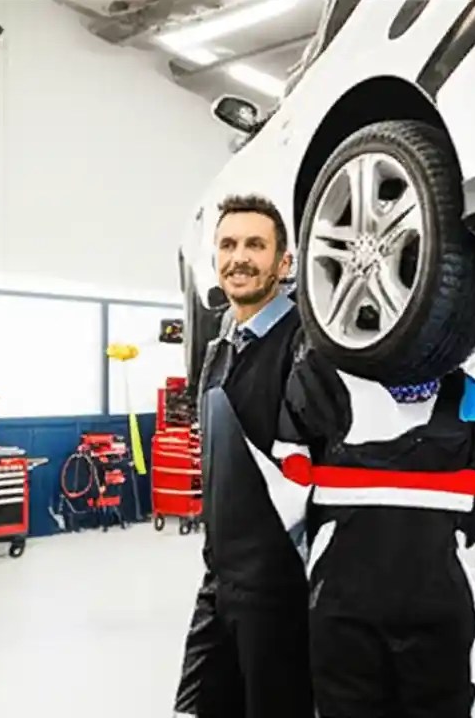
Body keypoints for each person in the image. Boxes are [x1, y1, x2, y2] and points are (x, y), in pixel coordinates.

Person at [272, 344, 475, 717]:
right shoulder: (465, 393)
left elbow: (287, 495)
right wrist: (456, 484)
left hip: (345, 596)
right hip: (437, 590)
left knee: (348, 704)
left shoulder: (317, 381)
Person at [172, 194, 314, 718]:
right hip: (219, 579)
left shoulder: (305, 345)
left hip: (280, 589)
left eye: (256, 245)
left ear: (284, 262)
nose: (240, 257)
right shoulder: (219, 348)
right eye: (228, 245)